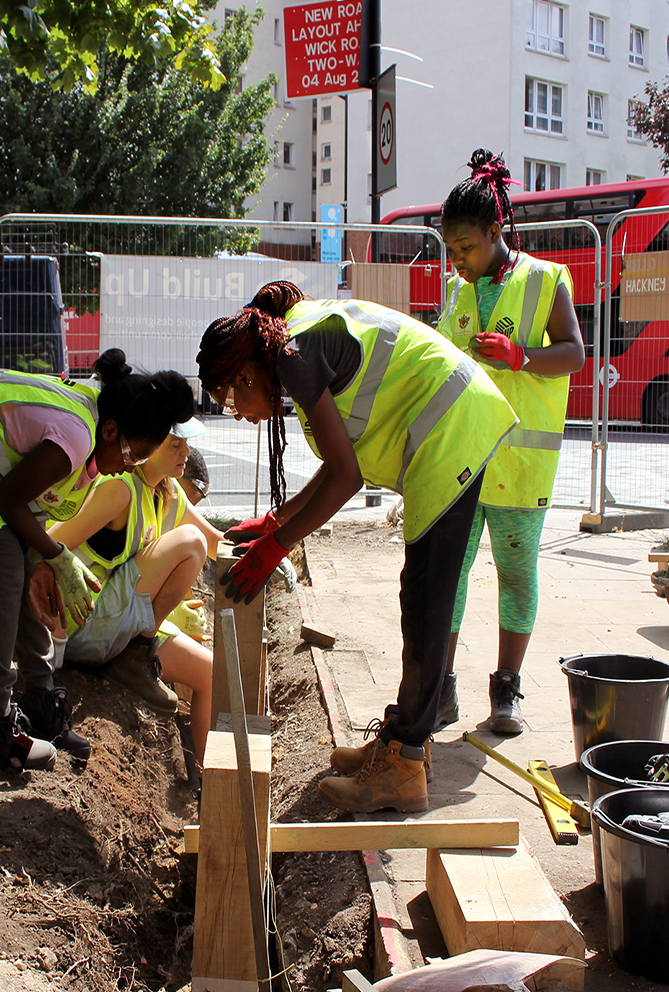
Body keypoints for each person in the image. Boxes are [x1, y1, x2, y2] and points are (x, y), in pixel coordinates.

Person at [197, 281, 517, 813]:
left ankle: (405, 764)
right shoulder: (295, 346)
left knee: (426, 601)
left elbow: (347, 479)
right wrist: (277, 520)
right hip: (450, 423)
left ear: (247, 374)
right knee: (419, 596)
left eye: (231, 399)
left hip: (453, 427)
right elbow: (338, 463)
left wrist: (277, 546)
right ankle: (401, 740)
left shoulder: (294, 357)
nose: (239, 413)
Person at [0, 350, 195, 770]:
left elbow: (33, 511)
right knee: (1, 560)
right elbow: (8, 499)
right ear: (111, 430)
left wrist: (45, 560)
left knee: (28, 563)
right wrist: (57, 555)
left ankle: (40, 699)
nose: (128, 467)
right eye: (132, 456)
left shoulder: (94, 437)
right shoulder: (77, 437)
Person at [436, 150, 585, 735]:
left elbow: (574, 353)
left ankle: (506, 688)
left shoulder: (545, 280)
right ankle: (440, 688)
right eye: (450, 249)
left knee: (516, 575)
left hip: (521, 466)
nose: (458, 259)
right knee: (450, 574)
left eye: (466, 247)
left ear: (496, 232)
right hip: (462, 462)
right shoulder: (458, 291)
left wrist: (522, 356)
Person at [35, 419, 223, 763]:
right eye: (175, 444)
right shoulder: (120, 490)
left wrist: (268, 548)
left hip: (116, 627)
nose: (186, 452)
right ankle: (137, 656)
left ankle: (207, 784)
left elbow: (217, 543)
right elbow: (46, 546)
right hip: (83, 625)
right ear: (149, 445)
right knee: (190, 541)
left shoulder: (167, 492)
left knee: (210, 673)